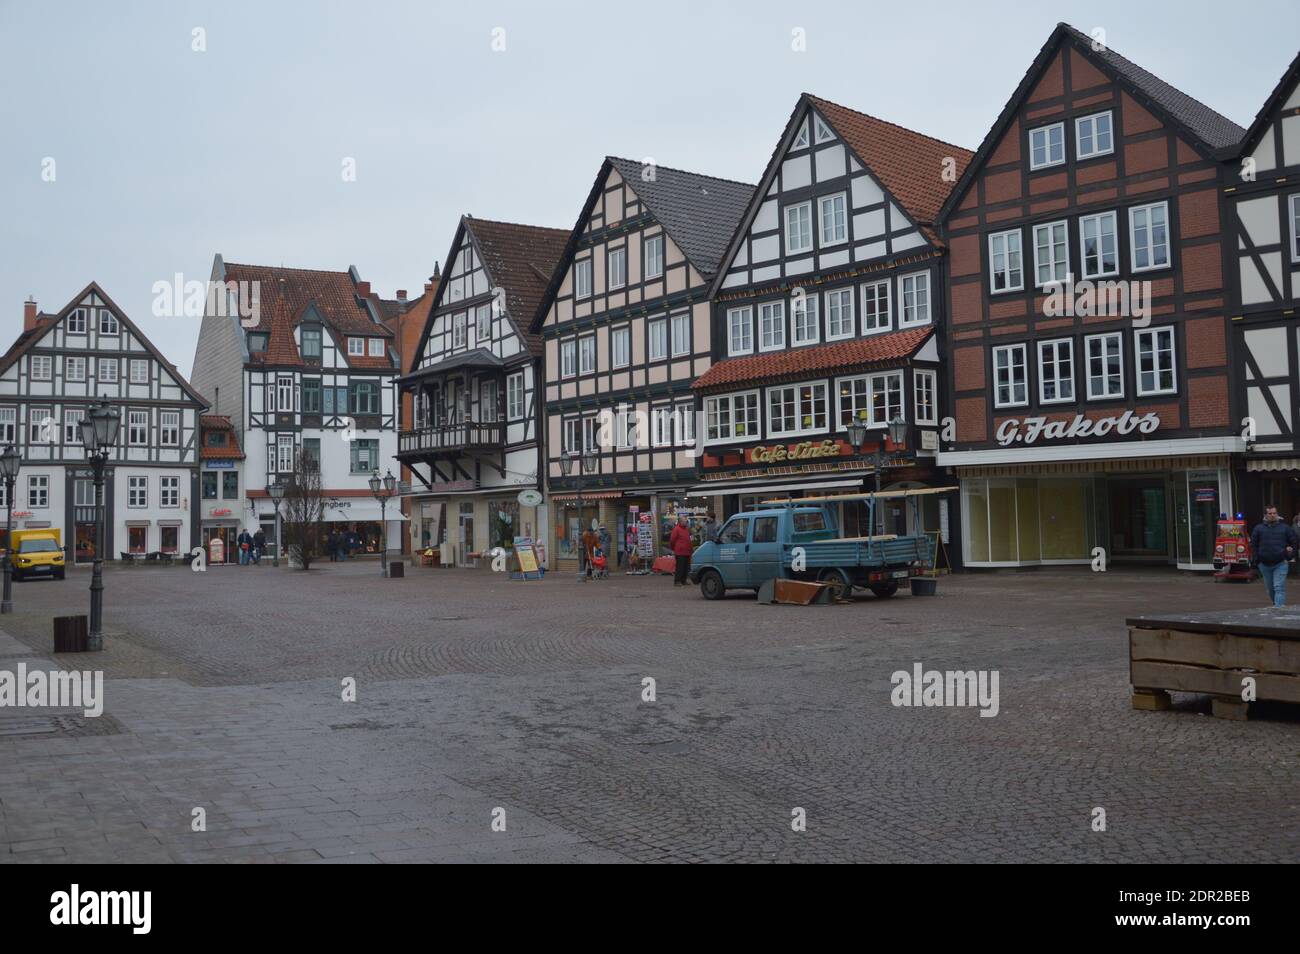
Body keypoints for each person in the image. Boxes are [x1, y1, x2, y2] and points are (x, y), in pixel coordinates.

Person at [1250, 505, 1298, 607]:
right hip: (1264, 564)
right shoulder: (1258, 528)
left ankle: (1278, 610)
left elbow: (1294, 542)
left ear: (1277, 514)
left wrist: (1289, 556)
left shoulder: (1285, 528)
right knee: (1270, 589)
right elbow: (1253, 545)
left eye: (1274, 513)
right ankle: (1277, 605)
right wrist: (1256, 560)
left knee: (1278, 587)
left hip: (1281, 563)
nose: (1272, 515)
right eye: (1270, 513)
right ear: (1265, 515)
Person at [669, 515, 693, 587]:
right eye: (685, 521)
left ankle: (683, 580)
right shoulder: (676, 529)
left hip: (687, 551)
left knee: (686, 567)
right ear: (680, 522)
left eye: (686, 521)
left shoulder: (686, 529)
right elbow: (672, 540)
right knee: (680, 567)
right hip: (680, 551)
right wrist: (674, 548)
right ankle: (677, 581)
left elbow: (688, 539)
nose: (686, 522)